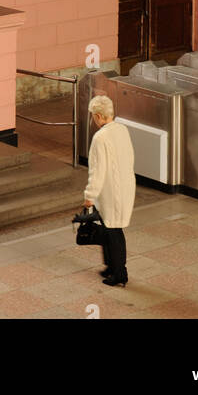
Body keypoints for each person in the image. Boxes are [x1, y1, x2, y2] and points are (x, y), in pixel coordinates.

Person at [79, 94, 136, 287]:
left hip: (112, 192)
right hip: (125, 186)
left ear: (98, 116)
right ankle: (111, 266)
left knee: (113, 232)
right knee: (109, 228)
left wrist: (89, 196)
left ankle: (120, 273)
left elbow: (98, 171)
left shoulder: (100, 137)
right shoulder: (122, 129)